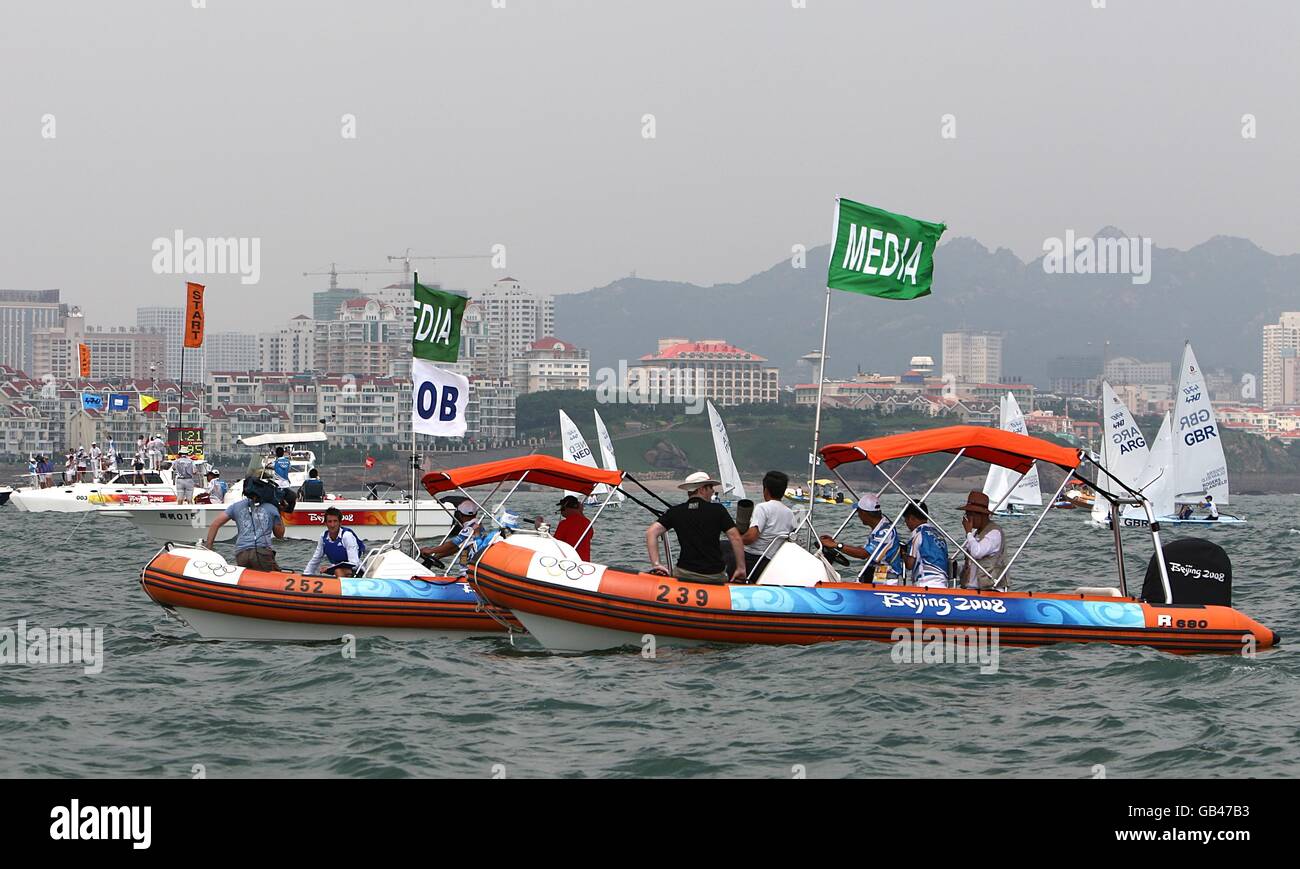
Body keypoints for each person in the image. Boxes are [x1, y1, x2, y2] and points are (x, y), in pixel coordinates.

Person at [645, 471, 746, 583]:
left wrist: (656, 564)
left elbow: (651, 532)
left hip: (684, 573)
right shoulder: (718, 510)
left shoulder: (675, 511)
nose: (713, 490)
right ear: (701, 489)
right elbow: (735, 538)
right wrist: (741, 568)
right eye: (710, 487)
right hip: (714, 576)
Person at [820, 493, 904, 584]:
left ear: (863, 513)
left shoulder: (885, 532)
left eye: (858, 512)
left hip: (886, 575)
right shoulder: (880, 527)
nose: (858, 516)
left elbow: (863, 554)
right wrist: (835, 544)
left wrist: (836, 545)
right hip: (875, 571)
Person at [204, 480, 287, 571]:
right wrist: (280, 512)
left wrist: (209, 547)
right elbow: (279, 535)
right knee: (272, 579)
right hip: (262, 552)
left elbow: (215, 524)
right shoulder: (272, 508)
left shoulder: (236, 506)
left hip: (241, 553)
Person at [741, 470, 797, 582]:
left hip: (754, 560)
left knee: (726, 546)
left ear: (765, 490)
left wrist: (736, 538)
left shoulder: (762, 508)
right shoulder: (790, 513)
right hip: (773, 561)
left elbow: (751, 537)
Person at [956, 490, 1010, 591]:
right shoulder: (976, 534)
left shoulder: (994, 533)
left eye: (969, 515)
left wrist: (968, 532)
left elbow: (977, 552)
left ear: (980, 515)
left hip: (989, 591)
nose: (967, 519)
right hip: (972, 590)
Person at [304, 507, 366, 577]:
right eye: (329, 521)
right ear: (325, 523)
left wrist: (331, 569)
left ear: (340, 522)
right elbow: (316, 558)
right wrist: (306, 574)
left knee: (338, 571)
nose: (332, 525)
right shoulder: (323, 537)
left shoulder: (347, 536)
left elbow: (354, 564)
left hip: (357, 571)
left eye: (335, 521)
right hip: (337, 571)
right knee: (337, 571)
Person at [902, 501, 949, 588]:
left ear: (911, 518)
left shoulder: (918, 533)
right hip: (942, 584)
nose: (907, 525)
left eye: (906, 521)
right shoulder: (938, 534)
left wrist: (903, 554)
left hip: (925, 583)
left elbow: (909, 564)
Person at [554, 495, 593, 561]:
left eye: (562, 507)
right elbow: (591, 535)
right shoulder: (587, 522)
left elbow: (555, 545)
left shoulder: (564, 524)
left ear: (566, 507)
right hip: (584, 564)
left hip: (569, 563)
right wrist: (580, 511)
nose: (561, 511)